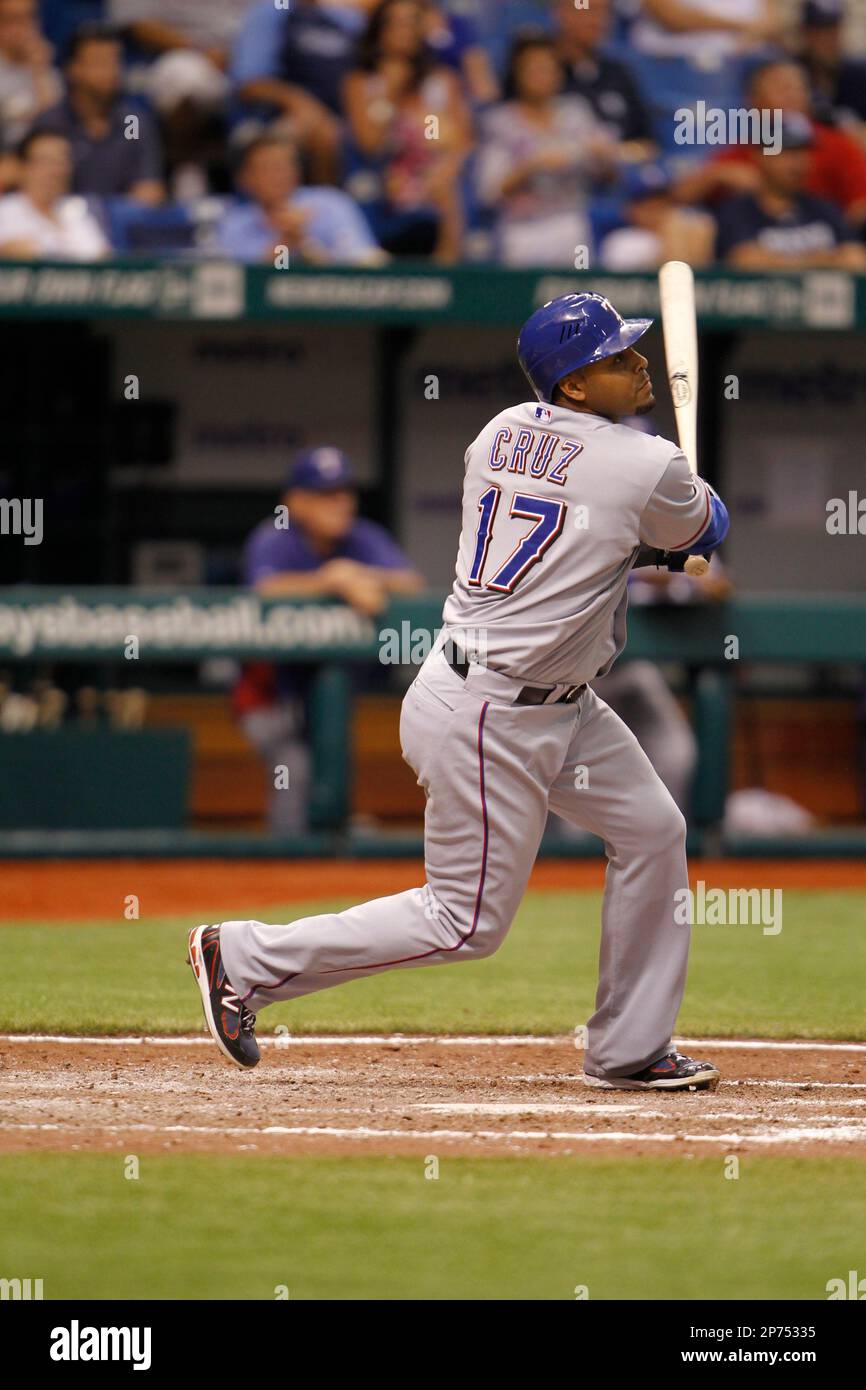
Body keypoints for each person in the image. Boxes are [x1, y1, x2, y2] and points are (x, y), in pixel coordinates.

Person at [188, 291, 730, 1097]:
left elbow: (585, 534)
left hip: (551, 702)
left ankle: (629, 1047)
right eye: (619, 357)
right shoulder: (647, 462)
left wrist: (647, 539)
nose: (641, 362)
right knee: (463, 922)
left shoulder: (499, 431)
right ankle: (243, 957)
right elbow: (706, 530)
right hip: (492, 714)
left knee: (653, 830)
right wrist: (684, 501)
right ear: (575, 387)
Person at [234, 447, 424, 834]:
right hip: (270, 696)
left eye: (344, 493)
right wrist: (331, 580)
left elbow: (411, 585)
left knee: (329, 765)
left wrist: (352, 573)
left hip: (331, 695)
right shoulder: (275, 536)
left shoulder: (362, 538)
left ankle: (323, 860)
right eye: (325, 495)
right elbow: (266, 590)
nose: (340, 504)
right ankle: (287, 875)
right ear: (295, 501)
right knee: (296, 772)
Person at [342, 0, 472, 261]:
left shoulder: (443, 80)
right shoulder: (360, 83)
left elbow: (464, 141)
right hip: (385, 180)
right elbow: (369, 144)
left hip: (437, 178)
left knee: (445, 187)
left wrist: (447, 167)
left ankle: (448, 274)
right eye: (395, 23)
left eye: (411, 22)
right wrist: (390, 93)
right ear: (379, 30)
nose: (404, 31)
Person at [675, 60, 866, 235]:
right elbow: (679, 197)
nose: (791, 95)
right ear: (753, 99)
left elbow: (860, 204)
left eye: (798, 88)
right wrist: (718, 174)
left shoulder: (835, 144)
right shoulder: (746, 148)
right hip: (755, 247)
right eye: (781, 88)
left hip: (825, 247)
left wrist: (834, 231)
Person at [475, 31, 615, 268]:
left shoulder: (575, 113)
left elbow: (608, 174)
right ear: (518, 74)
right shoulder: (499, 121)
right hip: (520, 227)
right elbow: (489, 192)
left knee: (576, 238)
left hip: (570, 219)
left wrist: (602, 155)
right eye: (534, 70)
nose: (543, 77)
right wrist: (532, 164)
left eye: (549, 69)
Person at [30, 23, 164, 204]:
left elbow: (148, 185)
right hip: (67, 223)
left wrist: (144, 193)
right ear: (73, 69)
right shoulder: (52, 123)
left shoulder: (131, 122)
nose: (112, 71)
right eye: (100, 63)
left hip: (121, 223)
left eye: (115, 61)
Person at [714, 112, 866, 269]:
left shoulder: (823, 207)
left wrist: (778, 262)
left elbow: (855, 256)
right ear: (761, 155)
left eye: (803, 153)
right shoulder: (738, 211)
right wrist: (823, 261)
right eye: (788, 153)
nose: (798, 164)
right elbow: (747, 261)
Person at [215, 134, 385, 264]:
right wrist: (287, 242)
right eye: (267, 168)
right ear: (245, 178)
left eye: (284, 166)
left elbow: (367, 261)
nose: (277, 176)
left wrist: (307, 246)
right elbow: (262, 281)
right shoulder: (235, 224)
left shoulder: (331, 204)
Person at [553, 0, 655, 158]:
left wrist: (617, 153)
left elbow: (648, 142)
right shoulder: (542, 71)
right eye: (589, 10)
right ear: (561, 13)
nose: (597, 20)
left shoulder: (618, 73)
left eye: (604, 12)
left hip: (621, 171)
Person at [0, 127, 109, 257]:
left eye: (61, 162)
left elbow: (104, 259)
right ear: (23, 167)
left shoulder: (77, 212)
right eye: (46, 161)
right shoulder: (6, 211)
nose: (55, 170)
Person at [599, 160, 714, 268]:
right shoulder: (624, 241)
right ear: (629, 209)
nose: (655, 210)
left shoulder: (688, 227)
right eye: (646, 205)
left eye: (661, 203)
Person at [796, 0, 866, 146]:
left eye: (831, 30)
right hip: (804, 150)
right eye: (817, 30)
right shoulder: (792, 70)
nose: (825, 38)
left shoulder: (858, 73)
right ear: (805, 32)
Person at [0, 0, 61, 148]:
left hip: (39, 159)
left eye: (29, 18)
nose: (23, 28)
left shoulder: (47, 71)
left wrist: (39, 75)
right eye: (12, 19)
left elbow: (53, 126)